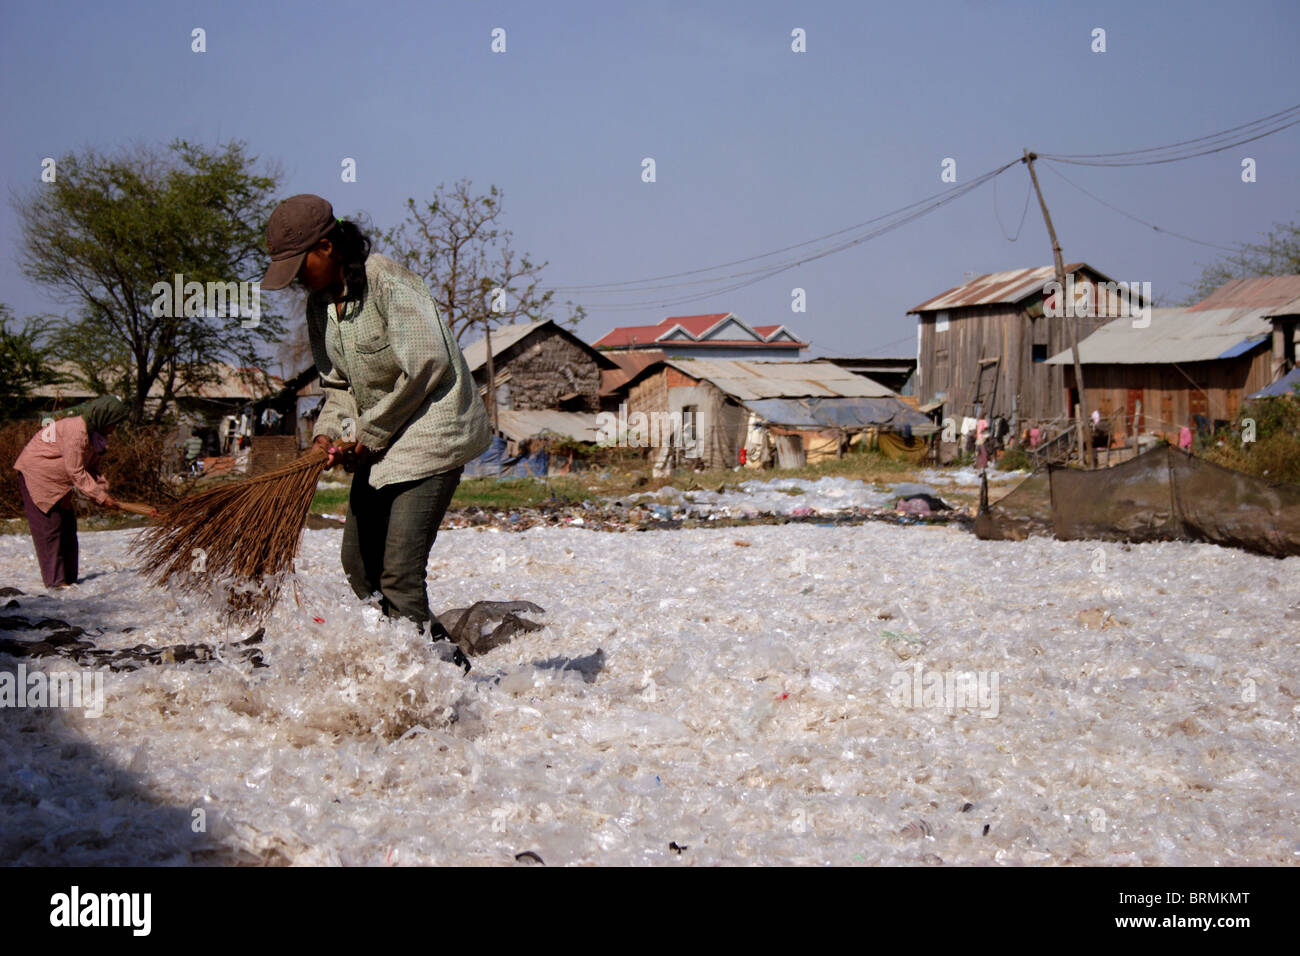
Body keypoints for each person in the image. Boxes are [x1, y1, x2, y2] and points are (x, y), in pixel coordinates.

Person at [261, 194, 491, 667]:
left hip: (432, 434)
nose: (297, 281)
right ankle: (428, 662)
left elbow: (427, 364)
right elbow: (338, 387)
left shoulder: (388, 281)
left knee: (400, 576)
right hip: (381, 442)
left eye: (299, 266)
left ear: (326, 247)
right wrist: (328, 434)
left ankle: (440, 687)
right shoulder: (320, 307)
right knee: (359, 566)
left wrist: (367, 432)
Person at [13, 396, 131, 588]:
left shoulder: (96, 437)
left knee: (68, 527)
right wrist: (100, 497)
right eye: (114, 423)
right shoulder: (76, 431)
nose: (114, 428)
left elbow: (93, 469)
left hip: (61, 483)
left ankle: (70, 580)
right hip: (38, 477)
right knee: (50, 528)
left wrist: (102, 491)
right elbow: (75, 471)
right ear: (103, 417)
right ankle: (56, 584)